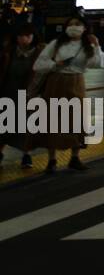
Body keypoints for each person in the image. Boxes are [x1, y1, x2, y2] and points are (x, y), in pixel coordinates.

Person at [32, 14, 104, 173]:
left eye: (78, 24)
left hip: (76, 82)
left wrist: (97, 46)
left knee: (77, 119)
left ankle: (75, 157)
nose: (74, 27)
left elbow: (99, 64)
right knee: (53, 120)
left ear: (84, 28)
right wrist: (55, 64)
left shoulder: (88, 45)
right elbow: (38, 64)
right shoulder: (56, 43)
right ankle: (52, 159)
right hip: (56, 82)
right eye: (71, 24)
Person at [0, 23, 42, 169]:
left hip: (28, 95)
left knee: (26, 126)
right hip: (7, 92)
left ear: (33, 37)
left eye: (28, 36)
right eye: (20, 36)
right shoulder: (9, 52)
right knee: (4, 125)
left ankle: (26, 154)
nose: (24, 39)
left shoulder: (38, 53)